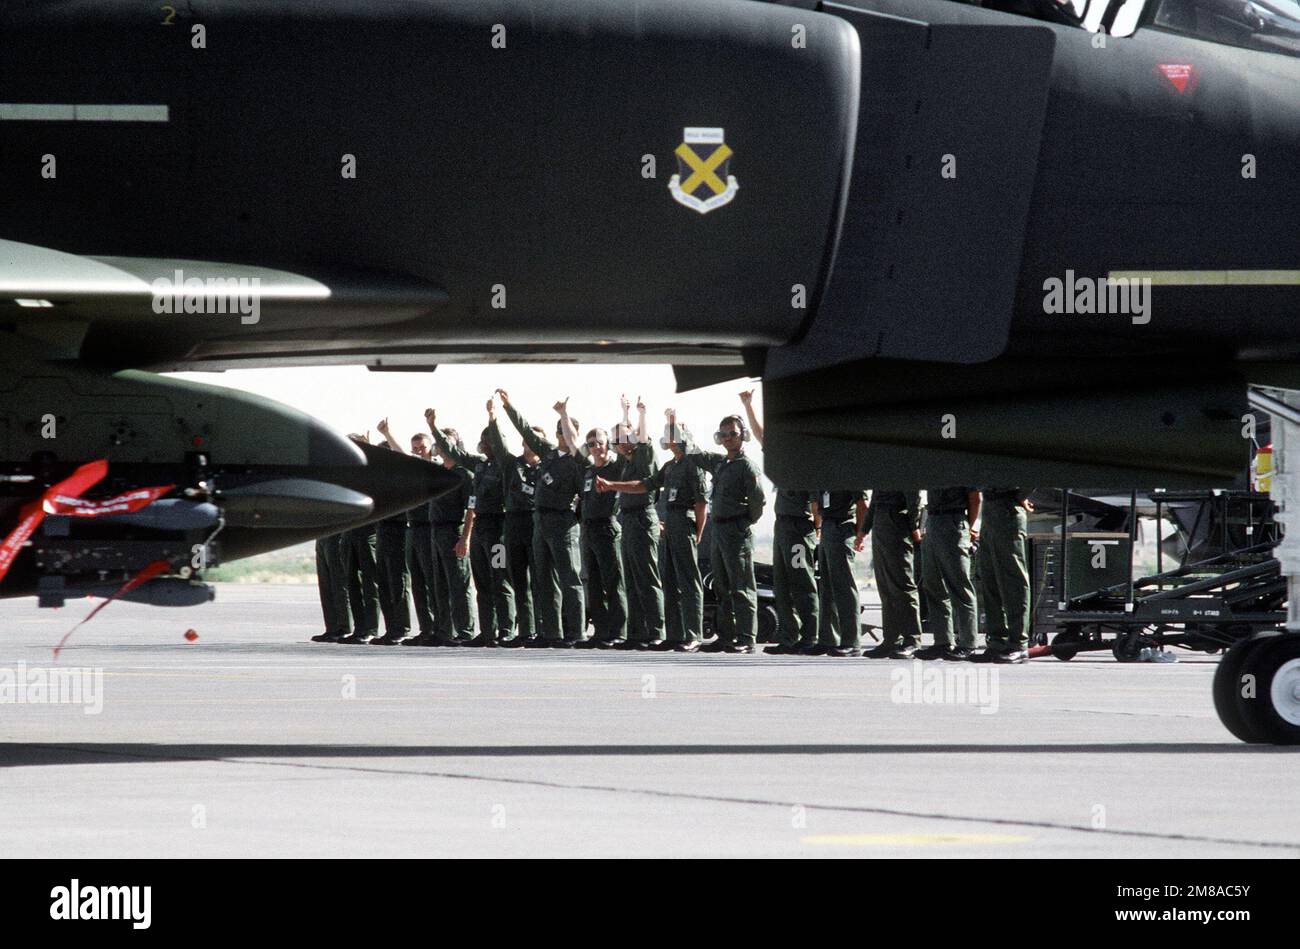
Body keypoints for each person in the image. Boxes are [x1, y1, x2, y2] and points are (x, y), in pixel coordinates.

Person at [599, 412, 708, 652]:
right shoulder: (670, 466)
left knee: (688, 581)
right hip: (669, 523)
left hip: (684, 521)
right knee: (669, 580)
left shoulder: (693, 463)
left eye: (675, 432)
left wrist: (698, 533)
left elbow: (701, 503)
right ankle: (674, 634)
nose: (671, 437)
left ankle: (693, 635)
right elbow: (644, 485)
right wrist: (612, 486)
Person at [498, 389, 585, 647]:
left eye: (567, 430)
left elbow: (586, 495)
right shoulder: (547, 452)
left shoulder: (579, 461)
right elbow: (525, 430)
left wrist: (564, 413)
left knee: (570, 578)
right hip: (540, 522)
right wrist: (508, 406)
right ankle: (552, 632)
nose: (562, 435)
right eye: (559, 430)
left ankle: (576, 632)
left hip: (563, 522)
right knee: (544, 580)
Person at [738, 390, 820, 656]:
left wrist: (815, 532)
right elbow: (761, 435)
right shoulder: (785, 458)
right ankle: (788, 636)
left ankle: (810, 636)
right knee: (782, 585)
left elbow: (817, 505)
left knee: (802, 583)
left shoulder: (810, 463)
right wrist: (748, 406)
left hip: (799, 528)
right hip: (783, 527)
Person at [430, 404, 514, 647]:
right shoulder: (478, 465)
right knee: (483, 582)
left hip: (499, 531)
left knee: (500, 580)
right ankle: (487, 632)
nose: (486, 444)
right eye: (483, 440)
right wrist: (433, 427)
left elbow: (501, 444)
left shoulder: (506, 465)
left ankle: (506, 629)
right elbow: (452, 451)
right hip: (481, 531)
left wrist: (493, 418)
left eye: (490, 441)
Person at [682, 411, 765, 653]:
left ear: (743, 436)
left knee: (741, 587)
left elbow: (757, 502)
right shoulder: (720, 463)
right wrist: (681, 430)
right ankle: (726, 636)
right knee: (722, 588)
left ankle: (747, 639)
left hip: (736, 531)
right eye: (723, 434)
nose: (728, 438)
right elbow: (697, 455)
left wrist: (744, 522)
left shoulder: (747, 466)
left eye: (733, 434)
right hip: (718, 530)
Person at [559, 405, 628, 649]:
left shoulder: (617, 466)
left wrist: (626, 413)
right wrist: (564, 415)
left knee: (613, 582)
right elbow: (571, 440)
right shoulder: (588, 470)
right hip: (588, 530)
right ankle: (600, 631)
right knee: (595, 584)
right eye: (591, 444)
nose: (595, 447)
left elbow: (627, 444)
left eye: (599, 442)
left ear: (607, 444)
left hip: (608, 529)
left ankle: (619, 631)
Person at [612, 396, 666, 650]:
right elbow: (626, 436)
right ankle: (635, 633)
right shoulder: (627, 460)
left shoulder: (643, 453)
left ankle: (656, 631)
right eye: (617, 442)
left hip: (644, 516)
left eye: (624, 440)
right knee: (631, 579)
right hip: (628, 520)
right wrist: (625, 413)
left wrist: (641, 414)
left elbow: (640, 438)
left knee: (647, 577)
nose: (620, 445)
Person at [486, 398, 541, 647]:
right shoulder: (512, 465)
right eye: (528, 440)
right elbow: (498, 446)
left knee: (542, 580)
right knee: (518, 580)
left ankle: (546, 629)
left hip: (536, 522)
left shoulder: (547, 466)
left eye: (536, 440)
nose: (531, 444)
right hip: (513, 524)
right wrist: (493, 417)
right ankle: (525, 630)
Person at [378, 426, 440, 646]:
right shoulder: (413, 470)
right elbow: (403, 456)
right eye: (416, 448)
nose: (419, 451)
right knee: (418, 584)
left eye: (422, 447)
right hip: (413, 528)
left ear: (431, 447)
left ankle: (438, 628)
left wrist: (388, 435)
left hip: (429, 529)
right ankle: (426, 629)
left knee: (432, 582)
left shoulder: (435, 467)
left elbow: (403, 455)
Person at [424, 411, 476, 645]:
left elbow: (471, 509)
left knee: (459, 584)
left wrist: (464, 538)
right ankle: (443, 630)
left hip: (454, 531)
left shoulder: (464, 475)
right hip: (435, 532)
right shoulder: (438, 472)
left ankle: (464, 630)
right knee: (440, 585)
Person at [915, 487, 981, 660]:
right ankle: (942, 641)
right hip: (933, 520)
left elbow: (975, 499)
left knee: (960, 586)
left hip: (954, 521)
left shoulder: (962, 465)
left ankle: (968, 643)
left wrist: (969, 527)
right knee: (932, 585)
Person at [970, 488, 1034, 664]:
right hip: (990, 509)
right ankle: (996, 642)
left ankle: (1018, 644)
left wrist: (1020, 497)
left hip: (1008, 510)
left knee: (1014, 581)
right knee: (989, 581)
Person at [862, 490, 924, 659]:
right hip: (880, 523)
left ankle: (912, 639)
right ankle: (891, 639)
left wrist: (914, 526)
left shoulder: (903, 466)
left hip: (897, 523)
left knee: (902, 585)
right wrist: (863, 531)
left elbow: (913, 500)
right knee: (885, 586)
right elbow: (873, 503)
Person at [369, 427, 413, 645]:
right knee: (384, 583)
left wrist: (388, 434)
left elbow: (405, 457)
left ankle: (401, 628)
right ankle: (391, 628)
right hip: (383, 531)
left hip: (398, 531)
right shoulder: (381, 478)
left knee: (398, 582)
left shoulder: (403, 475)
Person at [812, 489, 869, 656]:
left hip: (842, 527)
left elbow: (862, 505)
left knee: (844, 588)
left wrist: (860, 534)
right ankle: (828, 639)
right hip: (828, 527)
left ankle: (851, 642)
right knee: (827, 588)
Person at [338, 433, 381, 644]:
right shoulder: (347, 474)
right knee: (351, 582)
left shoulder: (371, 473)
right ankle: (359, 628)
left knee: (369, 583)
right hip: (350, 532)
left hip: (367, 533)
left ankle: (371, 628)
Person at [310, 531, 352, 643]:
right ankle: (332, 628)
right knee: (325, 585)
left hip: (336, 533)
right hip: (321, 534)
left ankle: (345, 628)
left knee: (338, 584)